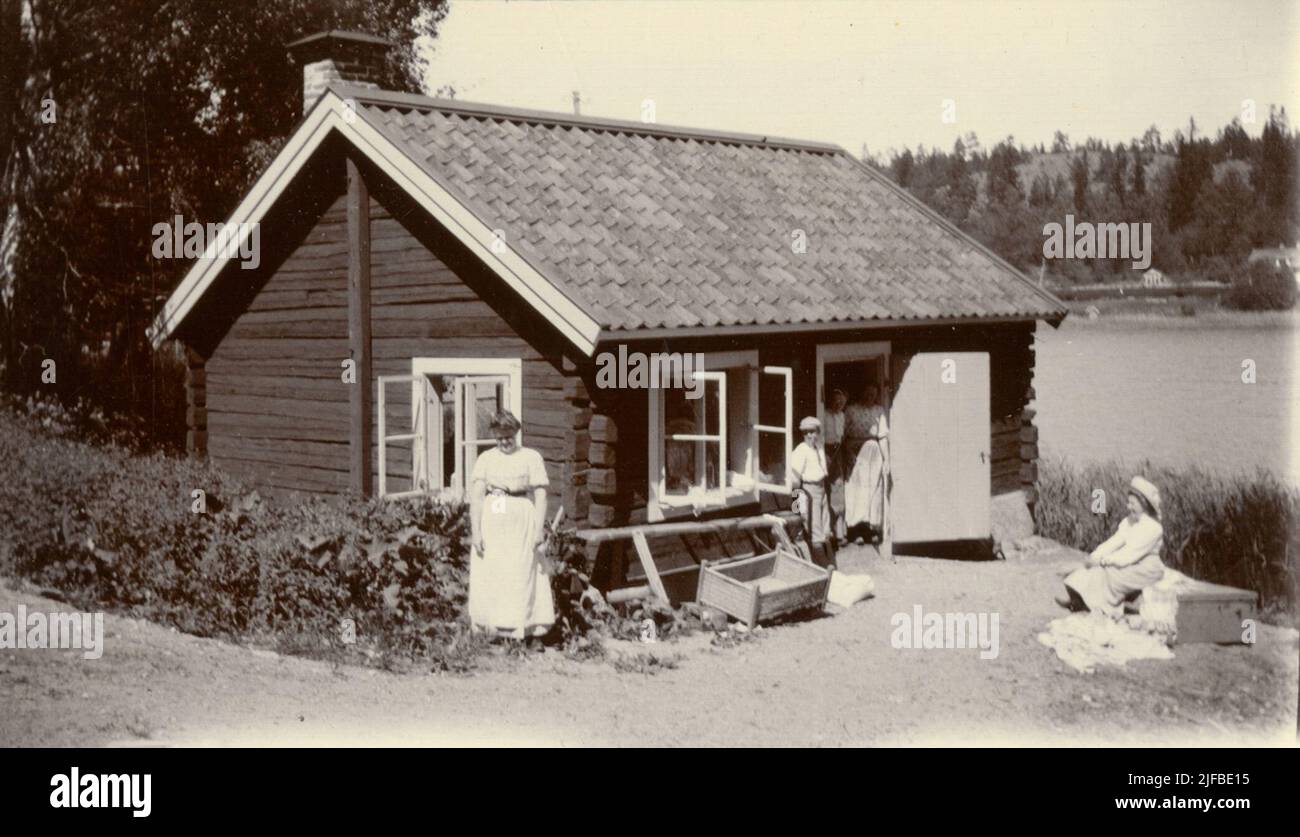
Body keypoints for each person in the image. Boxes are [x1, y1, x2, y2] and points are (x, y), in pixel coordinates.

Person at [468, 410, 554, 640]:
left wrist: (538, 531)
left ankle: (529, 629)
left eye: (508, 437)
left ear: (516, 434)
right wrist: (476, 532)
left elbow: (541, 495)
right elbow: (476, 497)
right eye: (499, 438)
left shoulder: (530, 457)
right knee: (494, 572)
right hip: (492, 522)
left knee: (522, 572)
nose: (504, 442)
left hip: (521, 519)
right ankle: (493, 629)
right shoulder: (486, 459)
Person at [1058, 476, 1166, 618]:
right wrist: (1095, 556)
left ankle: (1101, 607)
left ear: (1144, 504)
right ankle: (1077, 600)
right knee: (1092, 568)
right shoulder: (1130, 521)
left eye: (1132, 503)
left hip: (1146, 568)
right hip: (1130, 562)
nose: (1129, 507)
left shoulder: (1152, 528)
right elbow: (1114, 542)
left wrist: (1103, 561)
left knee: (1108, 574)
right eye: (1128, 503)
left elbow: (1131, 553)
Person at [843, 383, 889, 545]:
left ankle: (869, 529)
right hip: (855, 452)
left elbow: (882, 437)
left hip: (874, 453)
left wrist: (886, 459)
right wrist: (848, 453)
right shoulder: (851, 410)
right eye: (867, 393)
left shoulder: (879, 411)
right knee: (856, 491)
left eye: (873, 394)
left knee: (872, 491)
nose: (870, 397)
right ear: (862, 393)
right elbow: (843, 436)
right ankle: (855, 531)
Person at [789, 416, 832, 554]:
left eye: (813, 432)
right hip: (808, 489)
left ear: (818, 433)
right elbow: (794, 479)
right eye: (806, 432)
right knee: (813, 524)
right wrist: (797, 504)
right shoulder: (801, 450)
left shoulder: (819, 448)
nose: (809, 435)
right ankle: (819, 558)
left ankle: (827, 553)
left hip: (822, 487)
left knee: (825, 522)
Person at [823, 389, 848, 538]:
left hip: (838, 452)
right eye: (835, 400)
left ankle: (839, 531)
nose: (838, 403)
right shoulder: (824, 414)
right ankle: (827, 529)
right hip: (825, 451)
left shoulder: (842, 415)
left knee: (838, 488)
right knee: (825, 488)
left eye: (841, 401)